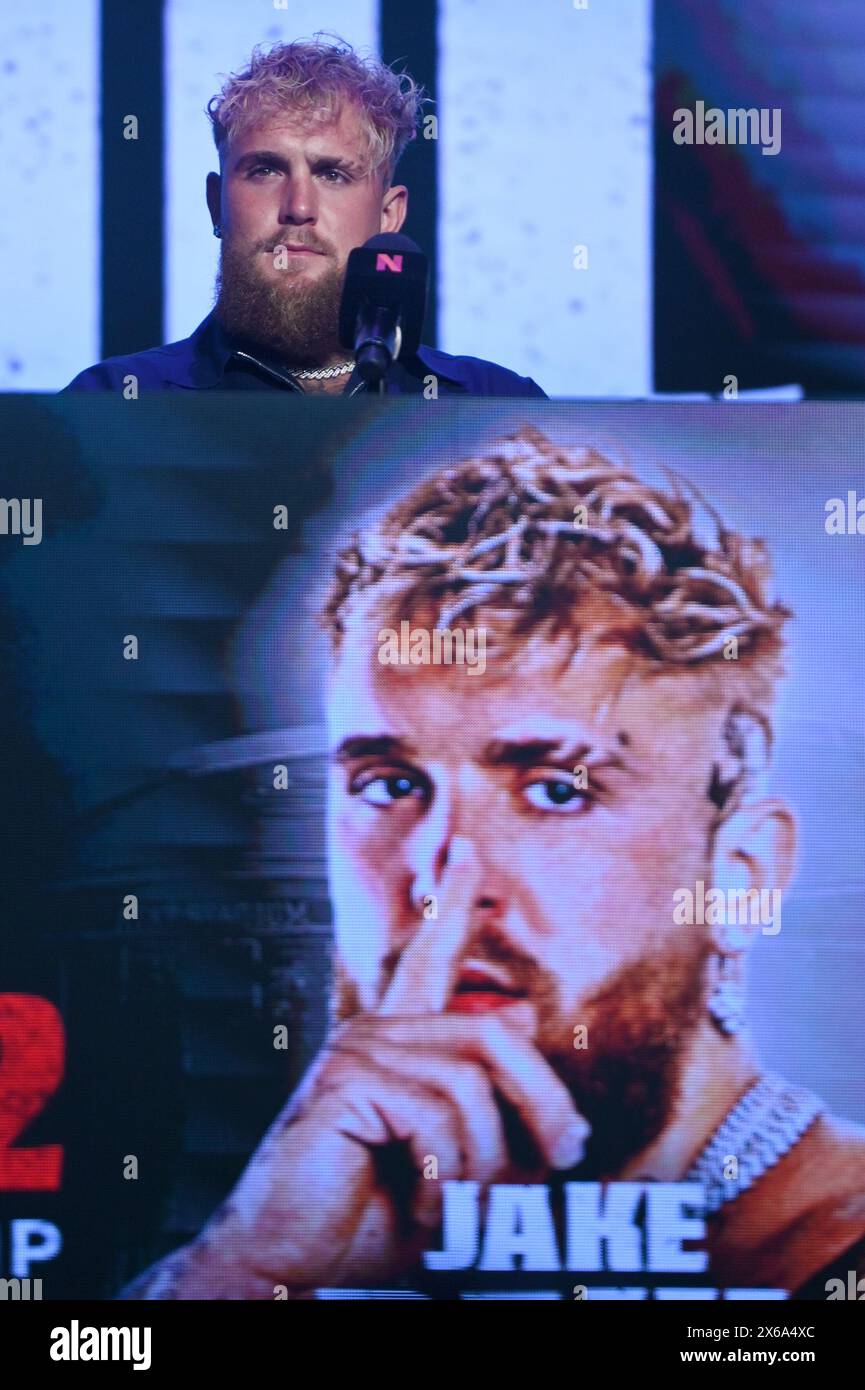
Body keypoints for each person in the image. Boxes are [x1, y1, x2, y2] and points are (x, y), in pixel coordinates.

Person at [120, 424, 865, 1299]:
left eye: (555, 791)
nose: (440, 881)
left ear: (738, 880)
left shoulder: (827, 1242)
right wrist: (240, 1269)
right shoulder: (296, 1235)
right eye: (389, 784)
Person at [64, 37, 545, 399]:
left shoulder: (495, 409)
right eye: (266, 170)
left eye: (332, 174)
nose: (298, 206)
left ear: (388, 214)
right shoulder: (110, 405)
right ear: (216, 203)